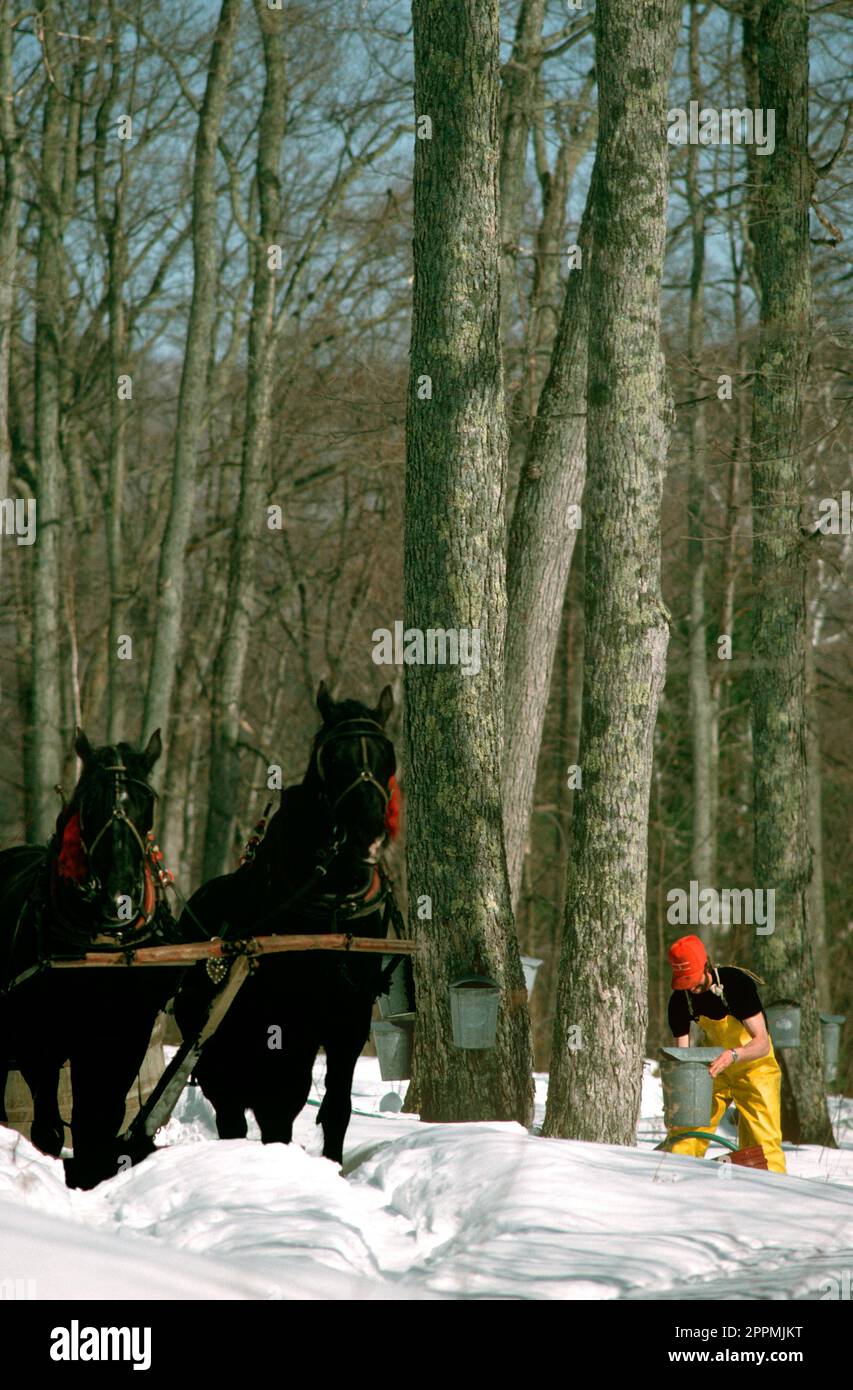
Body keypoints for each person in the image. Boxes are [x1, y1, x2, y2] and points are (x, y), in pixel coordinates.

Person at [666, 933, 786, 1173]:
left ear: (706, 965)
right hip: (714, 1069)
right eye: (685, 983)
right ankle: (674, 1179)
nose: (692, 989)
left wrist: (733, 1055)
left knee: (763, 1145)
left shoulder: (736, 984)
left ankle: (772, 1196)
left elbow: (762, 1043)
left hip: (756, 1067)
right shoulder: (680, 1000)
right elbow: (683, 1055)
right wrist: (680, 1093)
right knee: (687, 1130)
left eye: (694, 980)